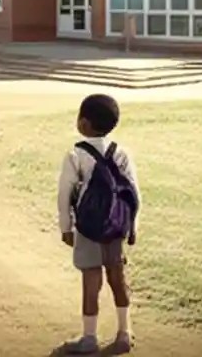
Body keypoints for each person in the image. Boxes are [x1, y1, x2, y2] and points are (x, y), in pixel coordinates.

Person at [57, 93, 140, 354]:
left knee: (91, 281)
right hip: (115, 227)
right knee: (118, 277)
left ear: (83, 123)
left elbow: (64, 194)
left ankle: (89, 337)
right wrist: (133, 226)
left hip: (88, 228)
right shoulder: (121, 153)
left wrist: (65, 227)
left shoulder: (76, 155)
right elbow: (134, 192)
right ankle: (124, 333)